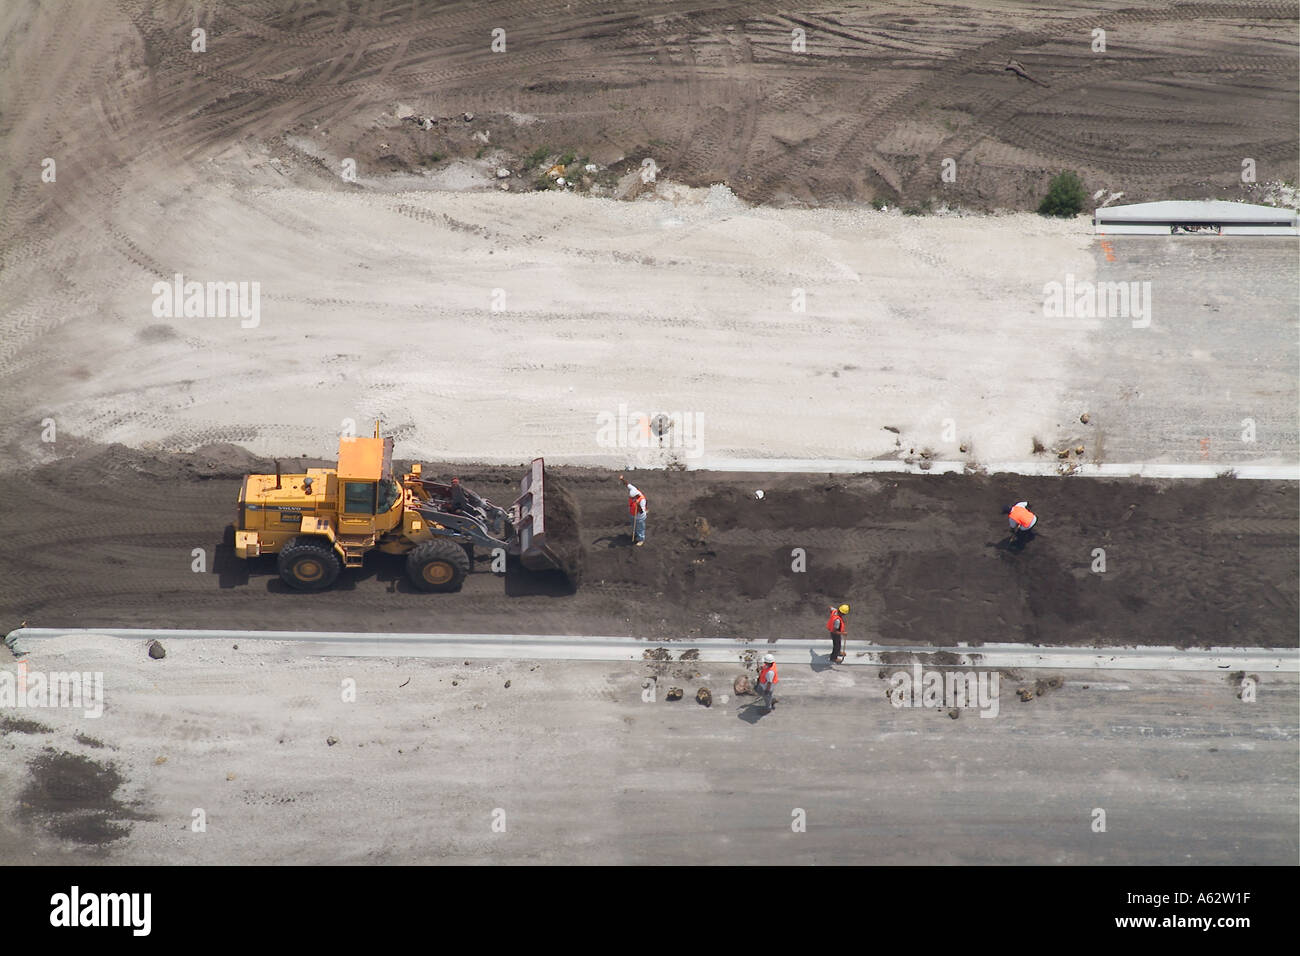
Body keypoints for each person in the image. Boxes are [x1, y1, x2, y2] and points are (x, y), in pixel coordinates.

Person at [619, 475, 647, 546]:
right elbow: (627, 484)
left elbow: (641, 511)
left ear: (636, 495)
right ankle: (636, 533)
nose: (631, 498)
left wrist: (638, 505)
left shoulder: (642, 500)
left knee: (640, 528)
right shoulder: (633, 489)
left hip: (639, 516)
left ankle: (641, 539)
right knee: (634, 525)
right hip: (632, 512)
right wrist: (622, 479)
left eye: (632, 497)